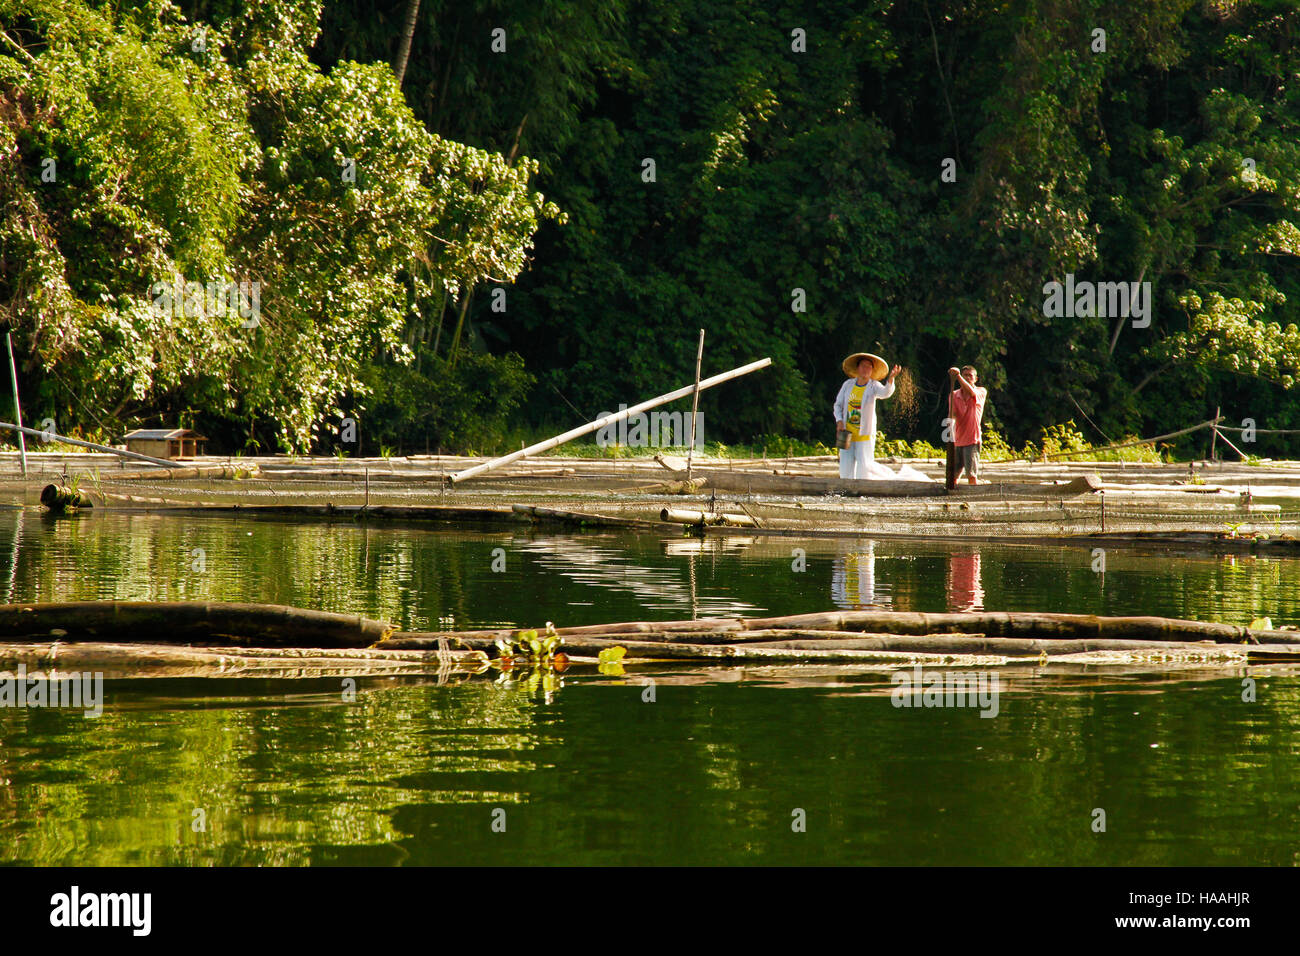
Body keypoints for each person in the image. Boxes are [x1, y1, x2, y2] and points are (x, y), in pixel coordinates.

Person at [834, 353, 901, 479]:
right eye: (863, 366)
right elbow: (838, 405)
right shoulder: (848, 385)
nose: (866, 369)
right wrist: (839, 421)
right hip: (847, 435)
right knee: (845, 472)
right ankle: (846, 491)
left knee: (864, 471)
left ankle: (863, 491)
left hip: (864, 435)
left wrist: (891, 379)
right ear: (858, 368)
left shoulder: (873, 385)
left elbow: (885, 393)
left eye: (869, 367)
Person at [948, 365, 987, 485]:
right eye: (965, 375)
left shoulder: (981, 391)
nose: (967, 378)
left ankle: (972, 494)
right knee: (953, 475)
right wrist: (948, 434)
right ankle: (951, 494)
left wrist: (958, 376)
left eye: (970, 376)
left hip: (972, 440)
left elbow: (971, 392)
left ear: (976, 379)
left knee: (971, 475)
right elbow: (952, 416)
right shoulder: (954, 395)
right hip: (958, 440)